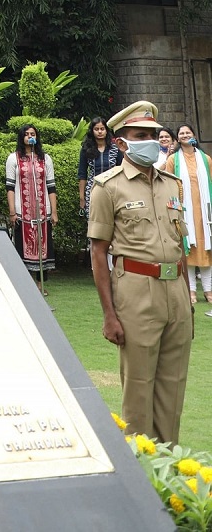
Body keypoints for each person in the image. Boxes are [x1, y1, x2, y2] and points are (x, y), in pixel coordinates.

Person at [87, 100, 192, 443]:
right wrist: (109, 315)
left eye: (153, 133)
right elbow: (99, 252)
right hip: (135, 289)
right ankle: (140, 471)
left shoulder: (171, 184)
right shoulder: (108, 187)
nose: (150, 139)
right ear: (121, 142)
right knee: (138, 388)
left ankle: (169, 469)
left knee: (172, 388)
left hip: (175, 289)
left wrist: (188, 300)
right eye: (140, 135)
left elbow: (180, 243)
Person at [6, 124, 57, 291]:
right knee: (23, 247)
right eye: (26, 134)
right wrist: (12, 212)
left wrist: (54, 212)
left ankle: (40, 283)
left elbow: (51, 186)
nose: (30, 136)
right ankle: (26, 285)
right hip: (23, 211)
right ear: (22, 138)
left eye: (32, 134)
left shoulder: (45, 159)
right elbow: (10, 187)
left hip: (43, 211)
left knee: (42, 247)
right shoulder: (13, 158)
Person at [168, 122, 211, 312]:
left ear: (194, 135)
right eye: (181, 133)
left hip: (205, 211)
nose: (185, 135)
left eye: (188, 132)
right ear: (177, 139)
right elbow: (168, 185)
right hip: (184, 211)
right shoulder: (172, 160)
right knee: (188, 249)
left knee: (206, 248)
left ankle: (209, 290)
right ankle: (191, 290)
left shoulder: (206, 159)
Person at [78, 117, 122, 214]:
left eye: (102, 129)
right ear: (92, 131)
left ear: (106, 131)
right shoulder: (86, 149)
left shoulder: (115, 148)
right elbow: (82, 174)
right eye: (96, 129)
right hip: (93, 190)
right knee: (94, 220)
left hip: (113, 190)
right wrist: (82, 197)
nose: (99, 132)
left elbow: (121, 169)